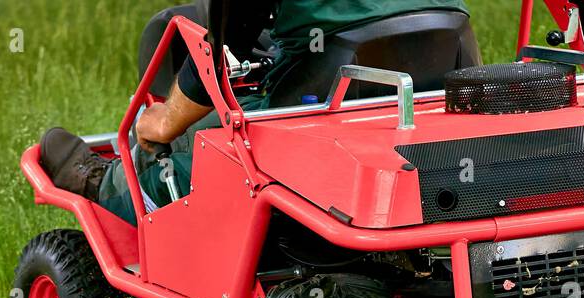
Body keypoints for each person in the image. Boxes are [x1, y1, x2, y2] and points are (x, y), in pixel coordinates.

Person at [40, 0, 470, 224]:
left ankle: (116, 186)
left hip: (328, 102)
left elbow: (229, 42)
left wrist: (166, 120)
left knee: (205, 137)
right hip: (436, 86)